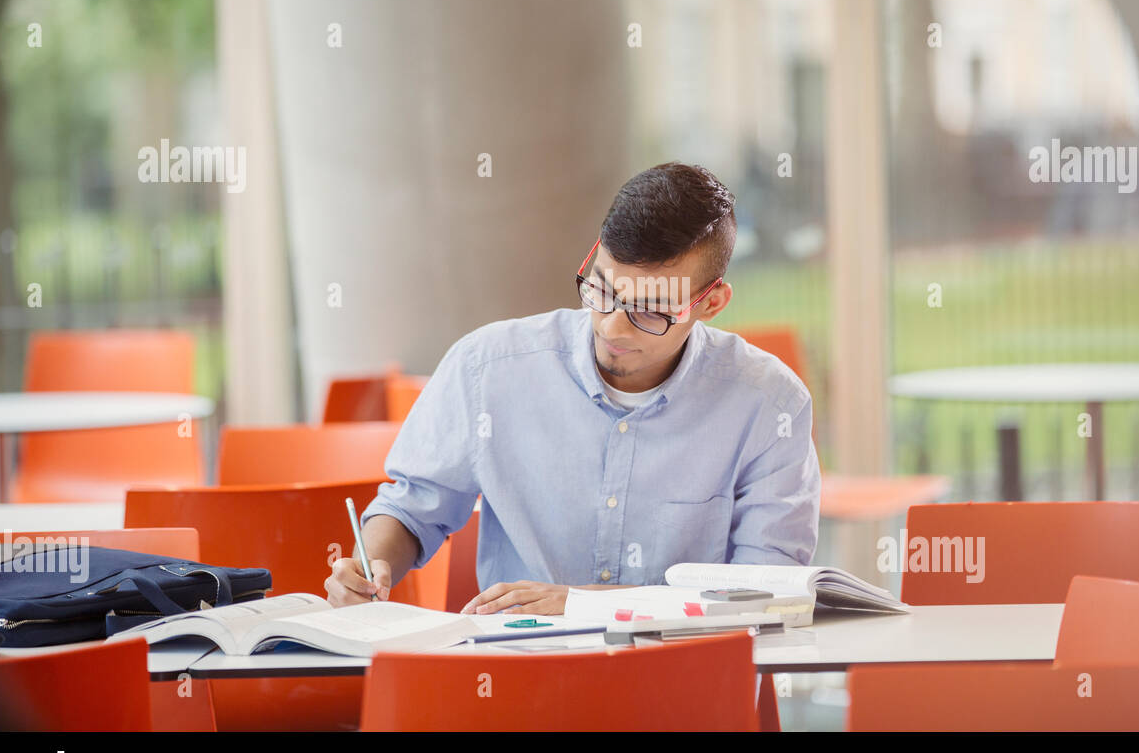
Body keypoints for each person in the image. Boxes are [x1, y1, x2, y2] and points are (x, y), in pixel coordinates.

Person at [324, 162, 820, 614]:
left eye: (649, 311)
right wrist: (374, 564)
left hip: (684, 687)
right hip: (518, 682)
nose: (611, 328)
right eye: (602, 290)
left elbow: (766, 592)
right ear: (593, 256)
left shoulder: (769, 404)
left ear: (712, 304)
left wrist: (585, 603)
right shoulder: (488, 367)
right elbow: (413, 505)